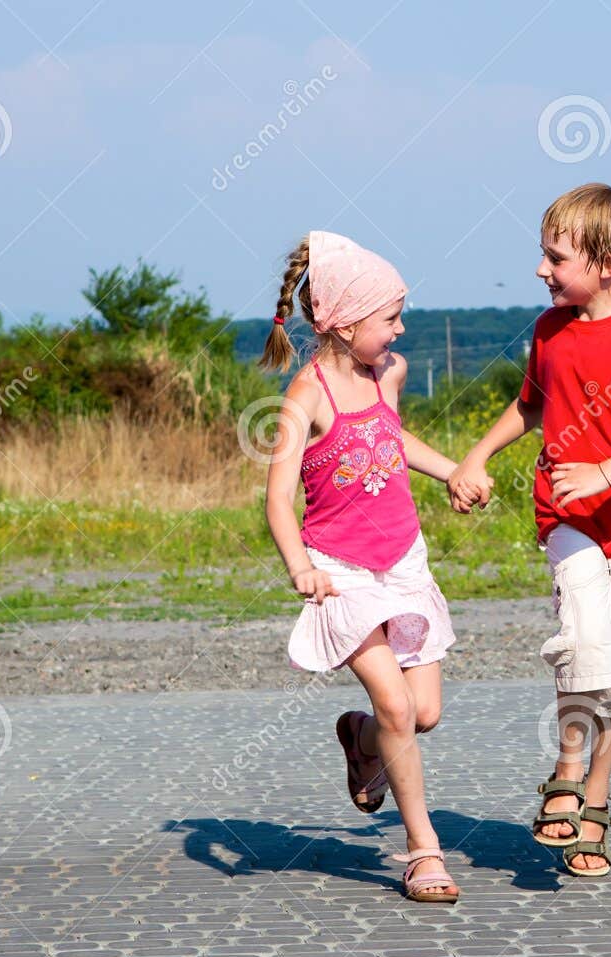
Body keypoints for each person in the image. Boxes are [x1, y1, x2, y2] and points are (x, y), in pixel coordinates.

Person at [450, 184, 611, 877]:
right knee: (585, 636)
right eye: (543, 254)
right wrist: (477, 454)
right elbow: (530, 405)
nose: (541, 270)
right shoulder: (548, 330)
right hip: (567, 516)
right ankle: (568, 770)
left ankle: (595, 795)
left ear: (607, 263)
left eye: (554, 257)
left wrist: (609, 472)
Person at [260, 230, 471, 903]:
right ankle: (422, 850)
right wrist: (301, 567)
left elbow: (392, 438)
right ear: (347, 323)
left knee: (425, 712)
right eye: (390, 317)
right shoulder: (307, 395)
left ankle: (361, 738)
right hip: (342, 572)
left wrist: (452, 472)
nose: (400, 329)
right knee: (397, 705)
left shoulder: (392, 374)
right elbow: (277, 497)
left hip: (402, 561)